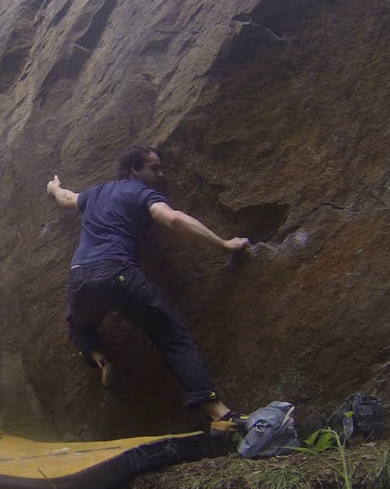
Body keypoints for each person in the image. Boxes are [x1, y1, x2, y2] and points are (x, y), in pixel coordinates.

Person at [46, 144, 251, 434]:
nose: (160, 173)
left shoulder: (95, 193)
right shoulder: (142, 193)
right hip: (117, 271)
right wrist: (224, 244)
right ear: (134, 170)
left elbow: (67, 199)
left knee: (79, 326)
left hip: (79, 277)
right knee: (172, 337)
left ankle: (100, 358)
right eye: (154, 168)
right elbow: (175, 220)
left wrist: (54, 187)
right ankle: (219, 412)